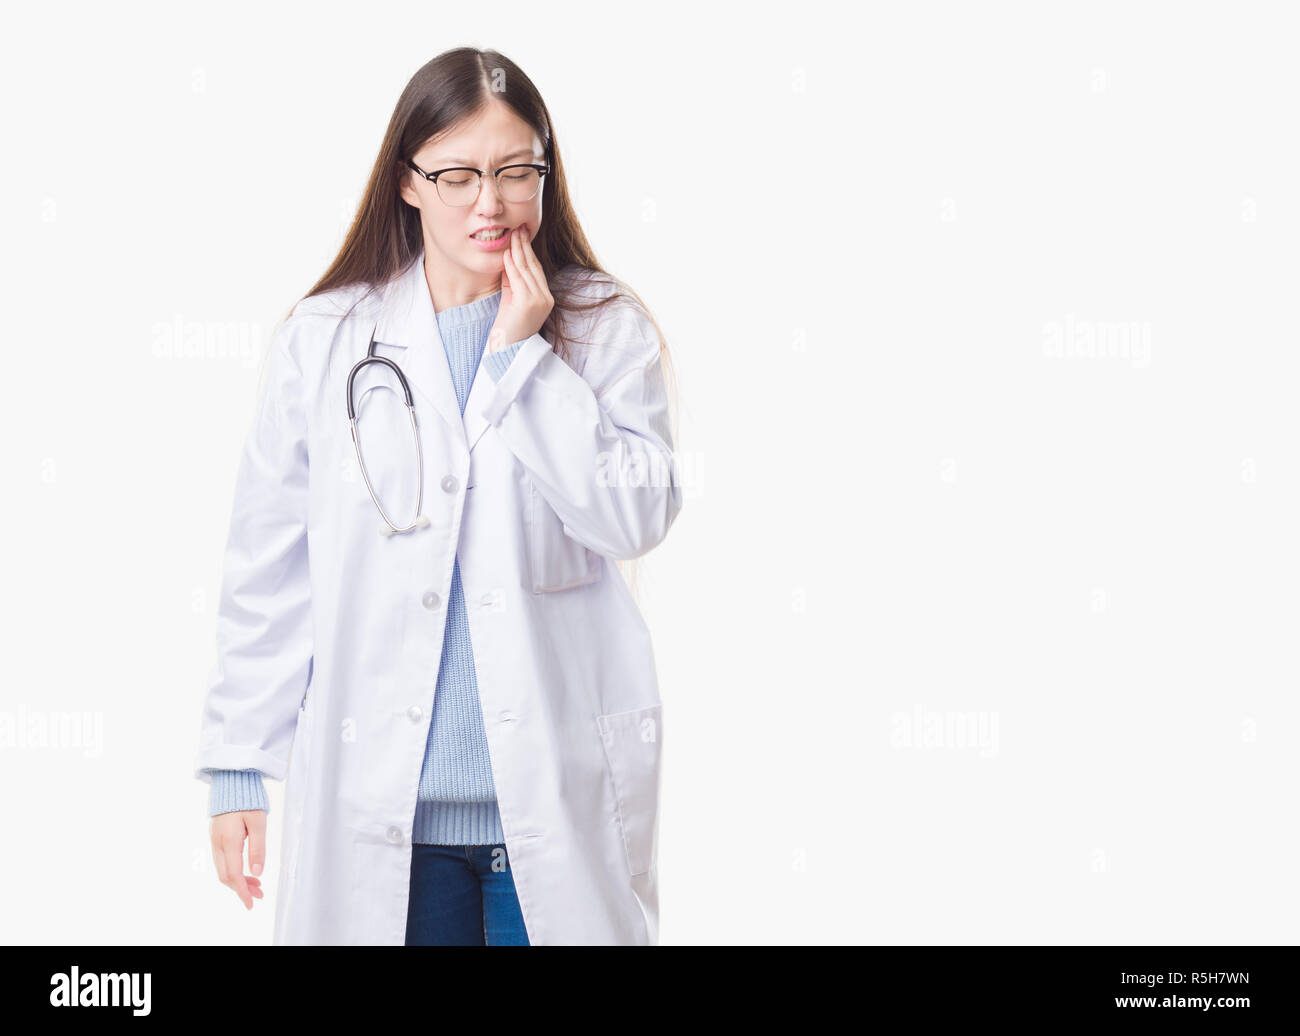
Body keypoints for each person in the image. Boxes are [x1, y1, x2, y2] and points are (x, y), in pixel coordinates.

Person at [194, 46, 682, 946]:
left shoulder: (603, 330)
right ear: (408, 182)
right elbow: (268, 566)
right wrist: (237, 769)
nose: (488, 203)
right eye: (457, 174)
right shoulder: (328, 338)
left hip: (551, 808)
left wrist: (523, 358)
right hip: (388, 821)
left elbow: (635, 516)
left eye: (514, 171)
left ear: (546, 172)